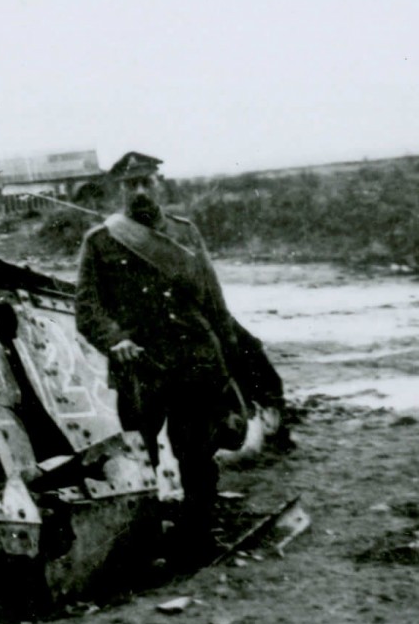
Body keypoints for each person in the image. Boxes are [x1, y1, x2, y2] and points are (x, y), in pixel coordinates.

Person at [73, 151, 275, 565]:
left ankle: (196, 541)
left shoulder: (186, 233)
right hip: (139, 369)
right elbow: (87, 309)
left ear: (159, 184)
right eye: (131, 184)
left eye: (146, 182)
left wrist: (230, 368)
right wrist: (115, 341)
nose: (140, 191)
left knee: (197, 456)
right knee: (138, 457)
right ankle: (144, 545)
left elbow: (215, 304)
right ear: (120, 190)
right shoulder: (100, 241)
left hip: (194, 363)